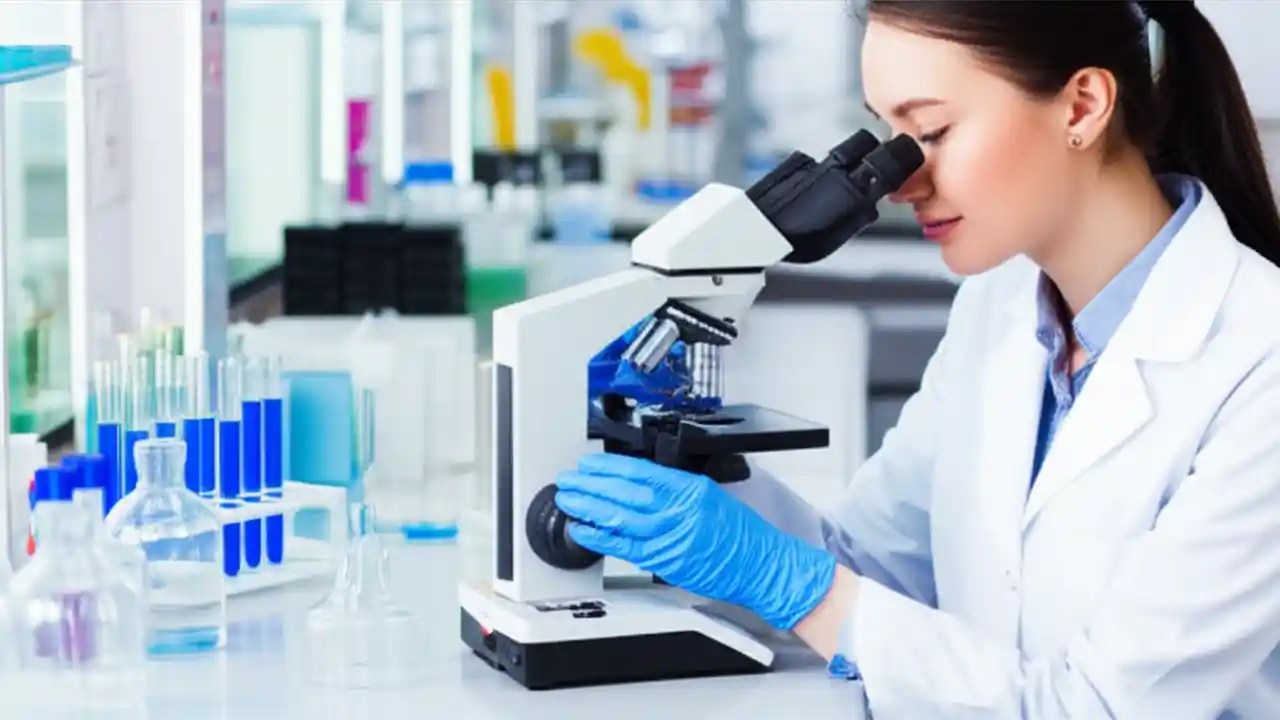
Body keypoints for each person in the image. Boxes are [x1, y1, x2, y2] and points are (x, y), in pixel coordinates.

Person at [554, 1, 1280, 717]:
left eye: (931, 131)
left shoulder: (1260, 359)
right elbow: (869, 568)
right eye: (889, 137)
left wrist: (787, 581)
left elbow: (1098, 707)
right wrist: (693, 478)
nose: (900, 183)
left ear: (1083, 106)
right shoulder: (1000, 304)